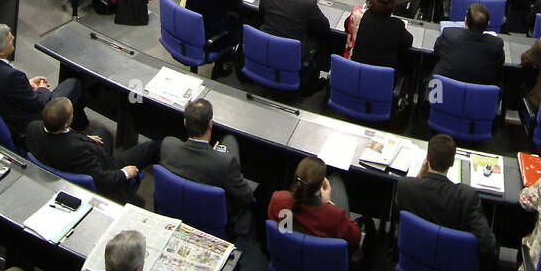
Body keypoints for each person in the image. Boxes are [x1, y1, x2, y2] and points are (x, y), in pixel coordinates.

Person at [24, 97, 159, 203]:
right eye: (72, 113)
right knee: (150, 147)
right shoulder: (78, 151)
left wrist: (83, 138)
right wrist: (124, 173)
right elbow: (100, 178)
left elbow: (63, 137)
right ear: (66, 123)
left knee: (103, 133)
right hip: (109, 169)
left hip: (62, 157)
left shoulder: (33, 127)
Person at [0, 23, 86, 147]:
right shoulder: (11, 77)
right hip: (23, 122)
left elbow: (1, 86)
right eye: (9, 39)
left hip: (5, 109)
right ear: (0, 51)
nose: (13, 38)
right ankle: (77, 125)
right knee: (73, 84)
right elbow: (39, 103)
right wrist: (41, 89)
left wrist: (26, 85)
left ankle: (77, 123)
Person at [160, 97, 257, 233]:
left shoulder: (168, 145)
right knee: (230, 140)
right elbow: (247, 196)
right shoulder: (225, 163)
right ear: (210, 124)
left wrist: (212, 155)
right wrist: (216, 156)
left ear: (185, 122)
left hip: (175, 208)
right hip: (211, 216)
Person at [396, 134, 496, 265]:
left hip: (413, 260)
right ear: (452, 162)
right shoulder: (466, 196)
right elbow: (489, 245)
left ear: (427, 159)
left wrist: (421, 173)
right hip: (449, 266)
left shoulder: (405, 186)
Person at [258, 0, 329, 89]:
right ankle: (310, 83)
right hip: (290, 55)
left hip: (265, 48)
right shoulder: (308, 3)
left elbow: (262, 14)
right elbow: (325, 27)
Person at [268, 157, 361, 246]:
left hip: (284, 257)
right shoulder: (335, 215)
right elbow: (356, 237)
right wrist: (328, 204)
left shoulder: (277, 198)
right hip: (318, 262)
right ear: (321, 185)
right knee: (336, 179)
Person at [346, 0, 413, 71]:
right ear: (393, 4)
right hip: (380, 81)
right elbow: (408, 41)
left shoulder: (357, 16)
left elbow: (347, 26)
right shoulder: (397, 26)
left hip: (351, 74)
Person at [430, 2, 504, 84]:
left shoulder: (449, 34)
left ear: (465, 22)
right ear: (488, 23)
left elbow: (436, 50)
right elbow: (500, 63)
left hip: (442, 91)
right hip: (478, 94)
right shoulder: (496, 44)